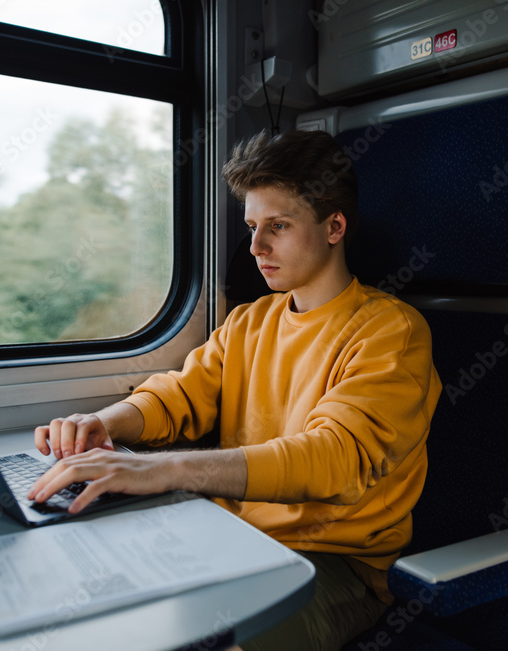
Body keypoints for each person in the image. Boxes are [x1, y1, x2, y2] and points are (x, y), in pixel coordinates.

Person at [28, 128, 442, 650]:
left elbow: (336, 459)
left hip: (331, 563)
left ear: (334, 226)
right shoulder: (251, 321)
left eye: (278, 226)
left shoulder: (390, 331)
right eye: (251, 226)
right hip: (230, 536)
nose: (255, 247)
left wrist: (162, 470)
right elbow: (179, 396)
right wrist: (102, 425)